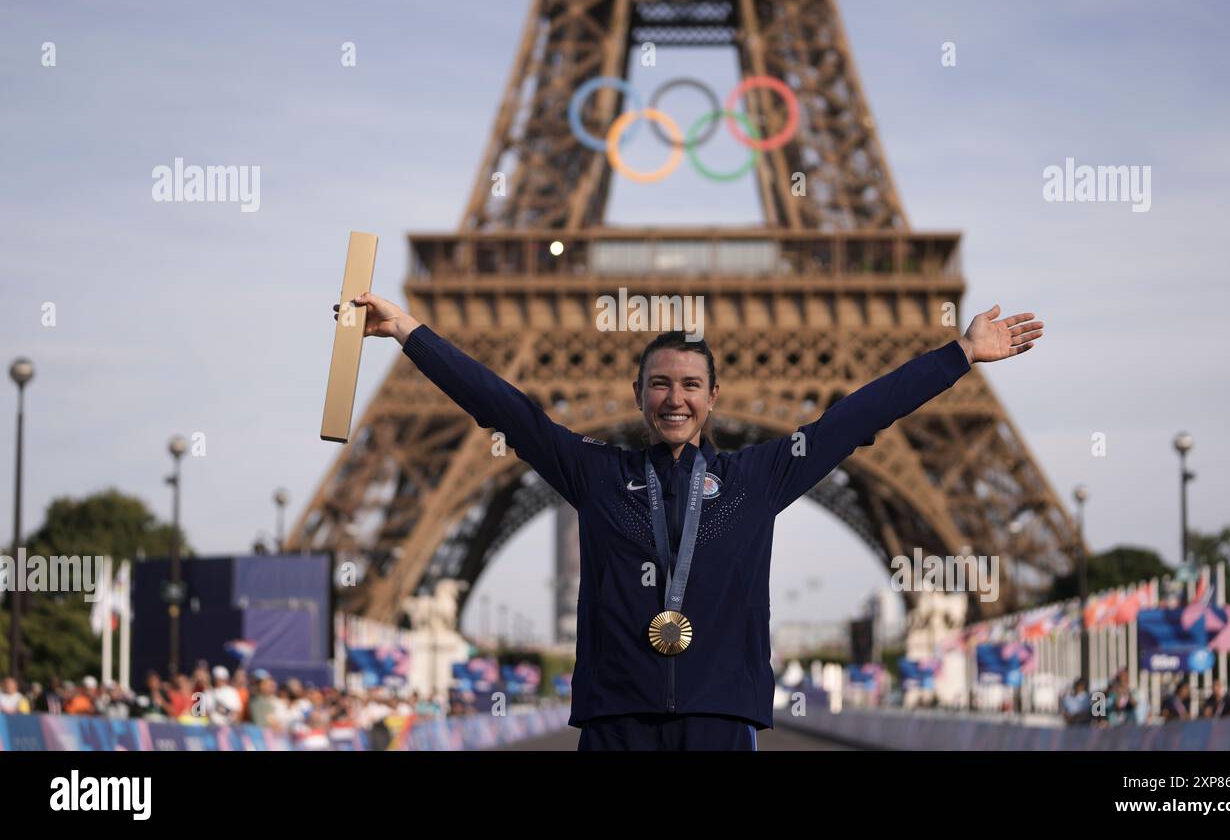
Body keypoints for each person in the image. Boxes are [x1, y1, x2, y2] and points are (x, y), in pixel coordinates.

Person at [340, 293, 1043, 750]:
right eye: (660, 384)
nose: (674, 398)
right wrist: (408, 331)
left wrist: (960, 355)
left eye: (689, 385)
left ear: (713, 397)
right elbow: (506, 409)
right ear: (639, 394)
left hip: (718, 718)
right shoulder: (595, 472)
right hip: (617, 722)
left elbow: (855, 419)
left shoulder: (757, 476)